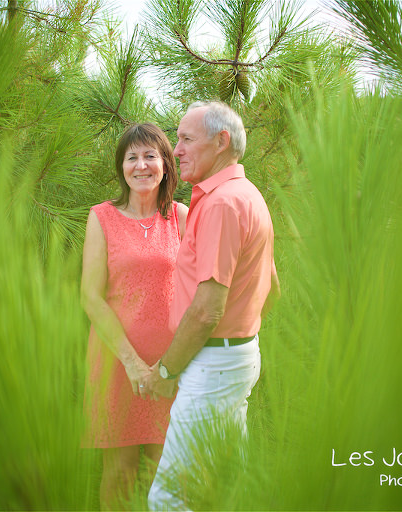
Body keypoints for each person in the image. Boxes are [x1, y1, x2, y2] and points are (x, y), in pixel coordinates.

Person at [142, 101, 280, 510]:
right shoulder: (246, 194)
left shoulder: (220, 204)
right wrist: (238, 341)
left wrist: (168, 369)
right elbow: (272, 289)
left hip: (213, 365)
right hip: (235, 359)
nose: (176, 149)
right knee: (226, 487)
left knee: (168, 498)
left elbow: (206, 310)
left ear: (221, 142)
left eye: (186, 139)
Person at [81, 123, 188, 510]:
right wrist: (131, 364)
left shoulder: (182, 216)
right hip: (116, 362)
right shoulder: (102, 217)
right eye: (132, 158)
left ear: (165, 164)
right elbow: (91, 297)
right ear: (121, 167)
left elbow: (198, 294)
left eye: (150, 156)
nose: (141, 166)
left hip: (171, 366)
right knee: (120, 471)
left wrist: (169, 367)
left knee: (169, 469)